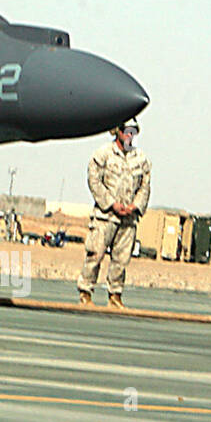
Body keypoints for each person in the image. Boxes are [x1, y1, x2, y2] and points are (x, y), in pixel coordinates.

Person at [79, 119, 151, 309]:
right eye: (126, 131)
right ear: (117, 132)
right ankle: (85, 292)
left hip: (128, 219)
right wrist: (111, 204)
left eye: (133, 132)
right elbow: (94, 181)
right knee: (95, 254)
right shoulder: (103, 154)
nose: (129, 135)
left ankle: (115, 295)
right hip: (105, 216)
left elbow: (145, 187)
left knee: (121, 259)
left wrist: (135, 206)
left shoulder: (141, 159)